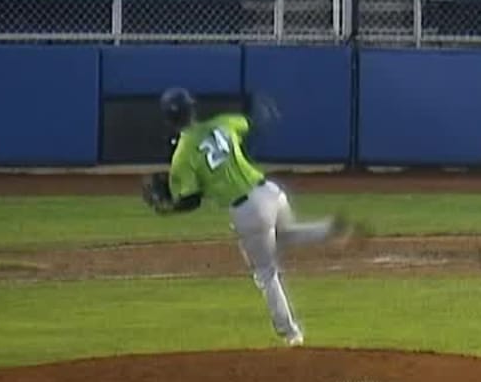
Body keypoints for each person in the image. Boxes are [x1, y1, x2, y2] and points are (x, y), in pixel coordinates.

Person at [145, 88, 353, 347]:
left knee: (266, 274)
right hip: (271, 193)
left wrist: (171, 208)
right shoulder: (222, 124)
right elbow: (251, 123)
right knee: (285, 235)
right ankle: (330, 229)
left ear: (169, 118)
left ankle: (292, 335)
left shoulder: (182, 155)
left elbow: (192, 199)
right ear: (193, 109)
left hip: (249, 211)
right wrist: (259, 115)